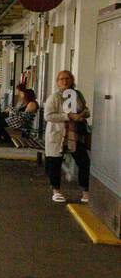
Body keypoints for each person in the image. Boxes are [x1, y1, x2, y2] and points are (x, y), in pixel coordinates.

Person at [44, 70, 91, 203]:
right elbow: (48, 116)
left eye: (67, 78)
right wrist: (68, 116)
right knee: (55, 163)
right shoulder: (54, 97)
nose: (65, 81)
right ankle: (56, 191)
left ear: (72, 80)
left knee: (84, 162)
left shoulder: (78, 95)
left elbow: (85, 109)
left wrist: (83, 114)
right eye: (61, 79)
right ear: (57, 82)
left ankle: (85, 192)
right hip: (58, 135)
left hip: (75, 136)